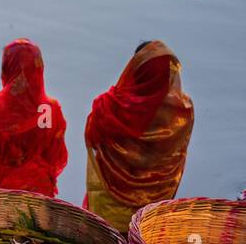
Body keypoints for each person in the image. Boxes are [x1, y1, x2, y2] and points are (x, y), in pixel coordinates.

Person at [83, 40, 194, 230]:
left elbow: (93, 137)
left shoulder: (109, 107)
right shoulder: (181, 114)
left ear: (134, 68)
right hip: (150, 211)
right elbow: (178, 154)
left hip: (110, 208)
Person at [0, 38, 68, 196]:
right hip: (39, 199)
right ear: (38, 69)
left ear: (6, 68)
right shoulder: (51, 110)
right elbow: (56, 159)